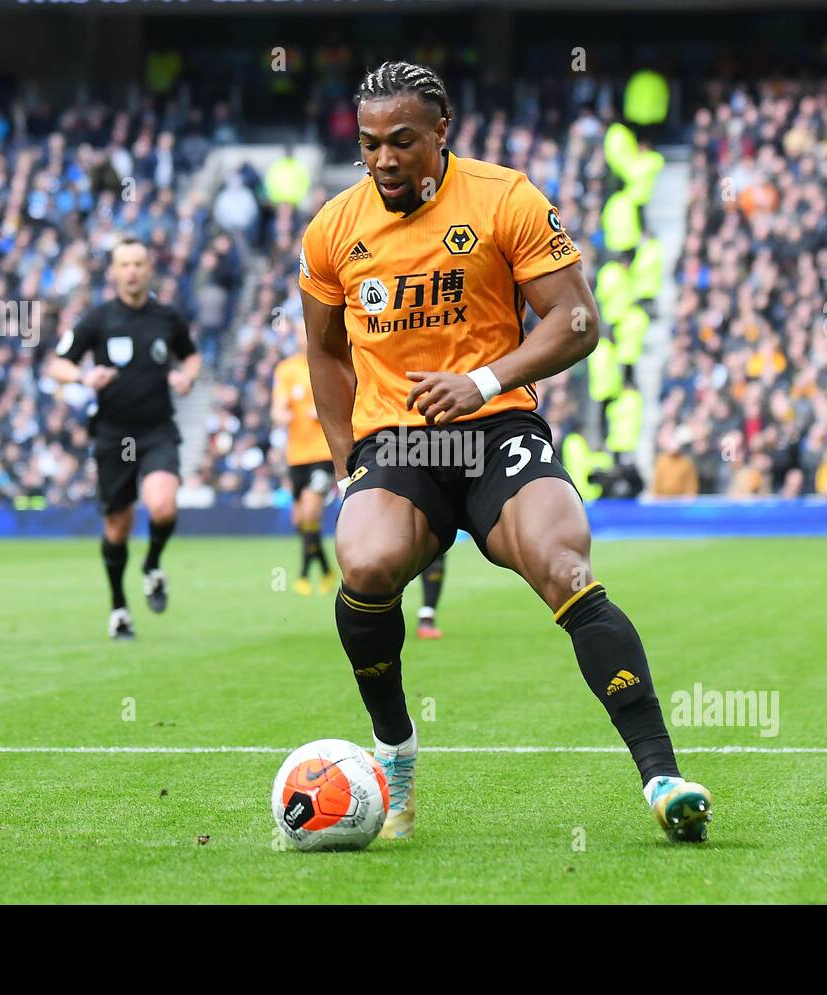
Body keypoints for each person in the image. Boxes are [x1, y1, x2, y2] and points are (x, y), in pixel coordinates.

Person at [298, 61, 712, 843]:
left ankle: (661, 775)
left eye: (402, 142)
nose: (384, 159)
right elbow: (323, 349)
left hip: (495, 429)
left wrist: (483, 379)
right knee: (365, 562)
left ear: (441, 133)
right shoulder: (332, 229)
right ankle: (395, 751)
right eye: (369, 144)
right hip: (400, 440)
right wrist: (347, 456)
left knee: (567, 564)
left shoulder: (505, 199)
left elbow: (578, 321)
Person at [47, 238, 199, 639]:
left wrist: (188, 376)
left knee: (163, 506)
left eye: (138, 264)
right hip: (113, 436)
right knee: (118, 526)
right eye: (124, 264)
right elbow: (58, 364)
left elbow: (192, 355)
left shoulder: (167, 318)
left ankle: (152, 564)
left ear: (149, 270)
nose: (131, 271)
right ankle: (118, 607)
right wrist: (83, 376)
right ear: (113, 272)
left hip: (157, 431)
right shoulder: (97, 320)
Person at [271, 323, 338, 596]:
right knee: (300, 520)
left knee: (311, 511)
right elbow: (277, 408)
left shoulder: (329, 365)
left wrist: (322, 410)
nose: (305, 338)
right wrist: (282, 416)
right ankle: (324, 570)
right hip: (296, 455)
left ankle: (301, 574)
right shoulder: (286, 370)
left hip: (323, 453)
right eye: (300, 334)